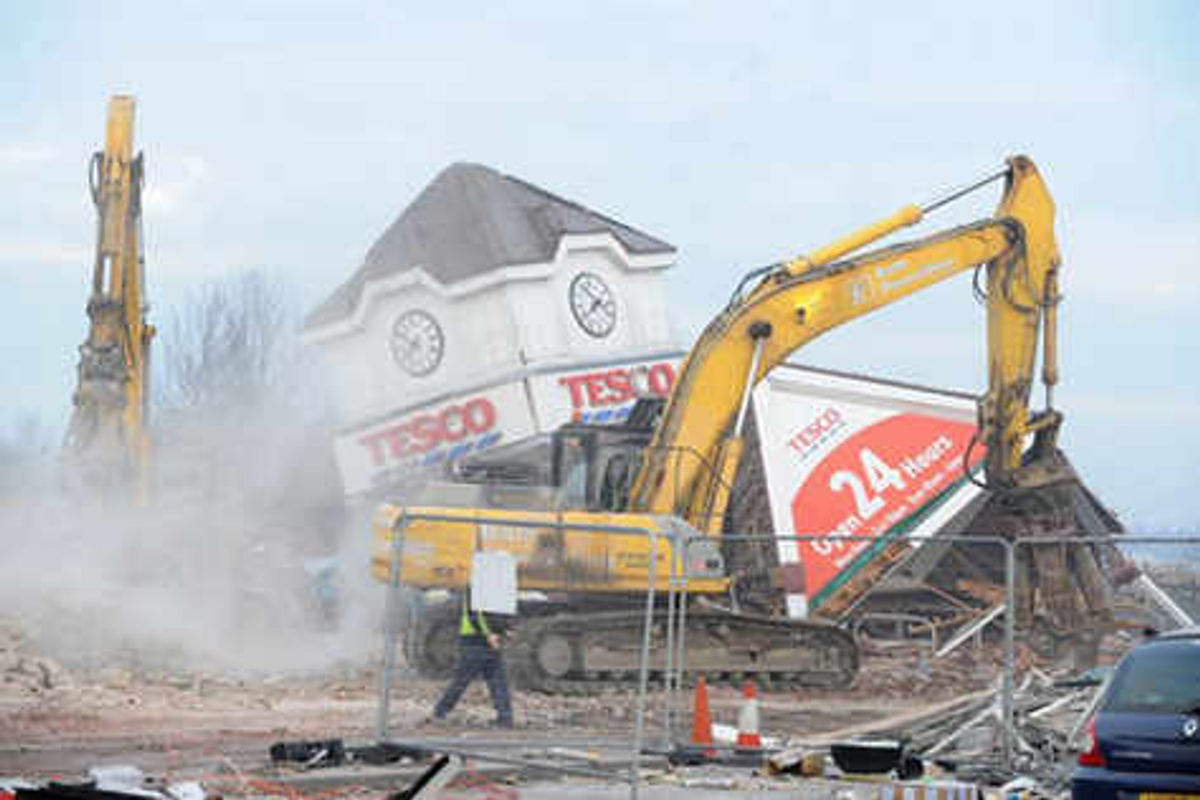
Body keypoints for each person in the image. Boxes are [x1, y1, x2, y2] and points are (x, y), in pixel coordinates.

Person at [427, 590, 513, 728]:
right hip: (474, 641)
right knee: (463, 681)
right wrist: (489, 634)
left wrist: (505, 629)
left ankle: (505, 718)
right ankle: (440, 712)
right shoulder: (477, 586)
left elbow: (499, 613)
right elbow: (475, 614)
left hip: (488, 641)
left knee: (497, 682)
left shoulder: (495, 585)